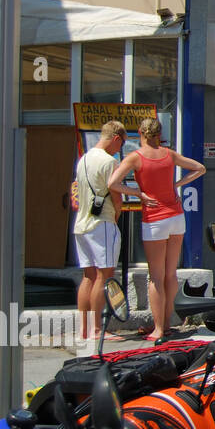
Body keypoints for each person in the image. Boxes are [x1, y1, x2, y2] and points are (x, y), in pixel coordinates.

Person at [108, 117, 205, 344]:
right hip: (176, 215)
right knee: (170, 274)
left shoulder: (135, 157)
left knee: (156, 277)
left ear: (141, 133)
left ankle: (158, 328)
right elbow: (200, 168)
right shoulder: (169, 154)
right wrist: (177, 185)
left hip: (154, 218)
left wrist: (138, 194)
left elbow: (113, 183)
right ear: (159, 134)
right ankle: (168, 323)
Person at [73, 120, 126, 346]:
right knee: (104, 276)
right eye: (121, 144)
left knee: (88, 276)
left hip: (81, 223)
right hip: (102, 222)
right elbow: (116, 196)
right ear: (116, 138)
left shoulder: (83, 159)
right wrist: (116, 215)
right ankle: (96, 329)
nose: (119, 149)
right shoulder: (110, 162)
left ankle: (84, 329)